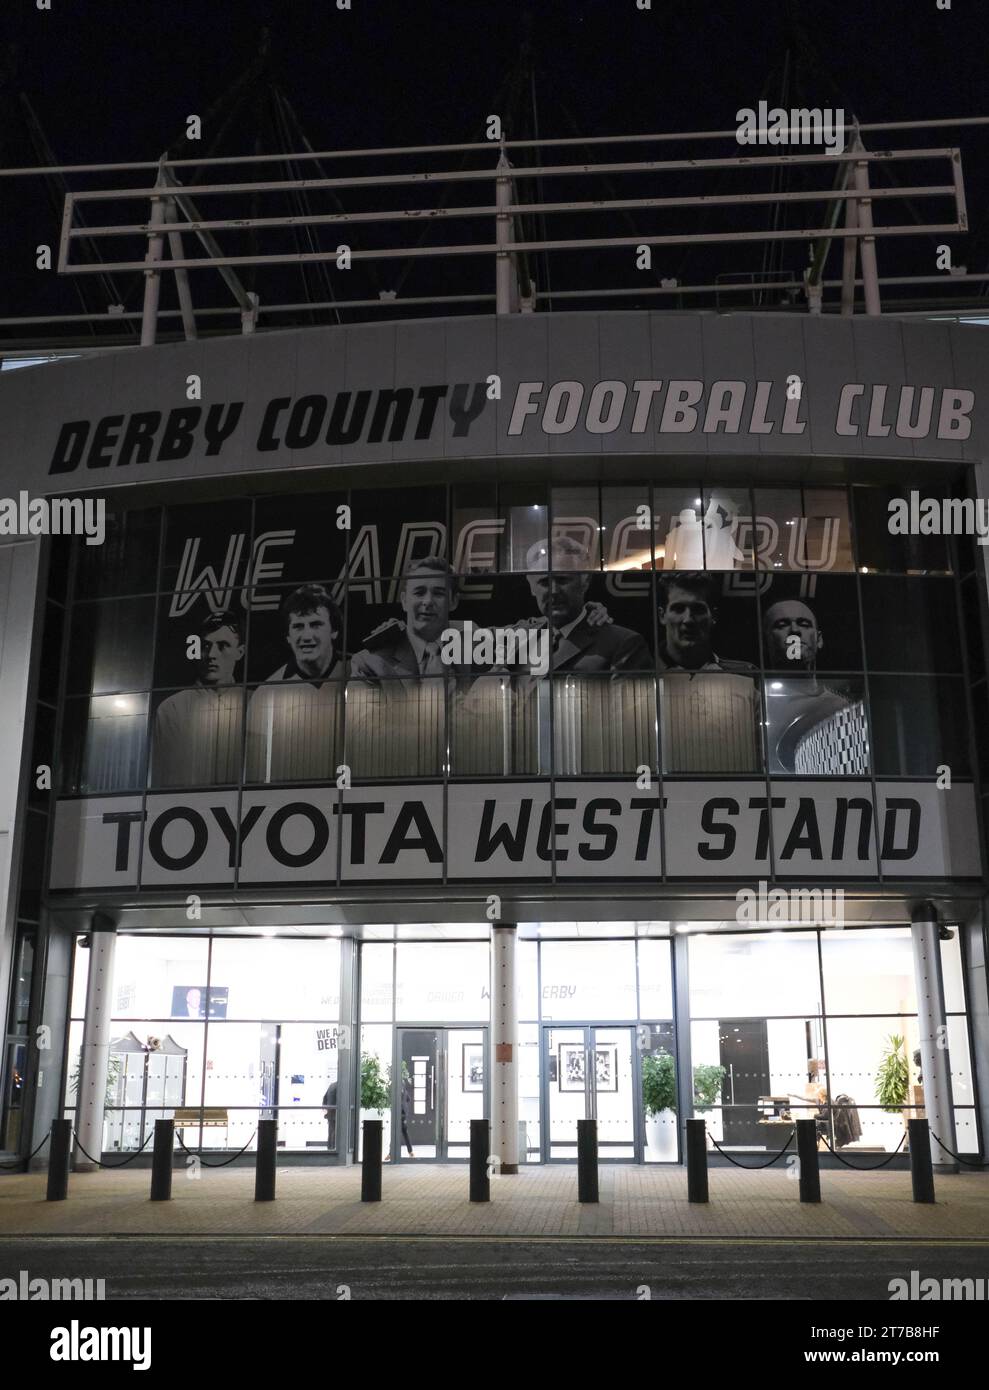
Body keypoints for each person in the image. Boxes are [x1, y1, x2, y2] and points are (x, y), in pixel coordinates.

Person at [656, 574, 760, 772]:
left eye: (698, 609)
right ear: (662, 615)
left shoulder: (745, 675)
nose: (688, 620)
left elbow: (762, 746)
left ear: (713, 616)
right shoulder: (641, 672)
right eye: (678, 609)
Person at [245, 584, 344, 782]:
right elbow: (255, 770)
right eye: (298, 626)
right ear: (288, 636)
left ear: (334, 631)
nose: (306, 636)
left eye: (316, 624)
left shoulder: (359, 670)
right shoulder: (265, 694)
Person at [761, 597, 869, 775]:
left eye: (803, 624)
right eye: (782, 625)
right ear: (766, 642)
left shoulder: (842, 708)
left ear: (818, 639)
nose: (794, 631)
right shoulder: (754, 703)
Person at [516, 536, 652, 673]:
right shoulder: (520, 640)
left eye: (563, 580)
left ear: (585, 581)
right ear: (532, 586)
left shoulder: (624, 643)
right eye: (544, 582)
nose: (554, 591)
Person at [152, 611, 246, 785]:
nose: (211, 655)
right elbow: (165, 774)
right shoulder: (172, 708)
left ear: (240, 652)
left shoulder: (256, 702)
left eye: (223, 645)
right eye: (205, 646)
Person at [322, 1079, 337, 1152]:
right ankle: (333, 1148)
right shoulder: (340, 1086)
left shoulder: (332, 1085)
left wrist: (325, 1108)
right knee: (334, 1131)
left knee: (331, 1130)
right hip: (336, 1112)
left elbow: (324, 1098)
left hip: (330, 1112)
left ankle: (330, 1147)